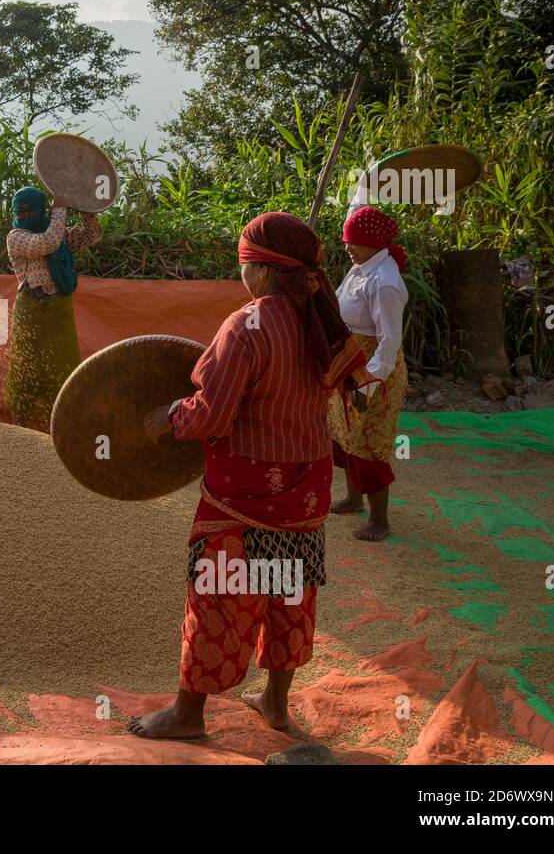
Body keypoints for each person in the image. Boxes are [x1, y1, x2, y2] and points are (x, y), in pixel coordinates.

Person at [130, 211, 367, 740]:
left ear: (258, 268)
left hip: (244, 494)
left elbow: (212, 415)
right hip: (304, 491)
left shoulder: (246, 326)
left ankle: (187, 716)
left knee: (217, 596)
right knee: (289, 591)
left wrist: (168, 418)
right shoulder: (321, 320)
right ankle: (276, 704)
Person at [328, 204, 409, 541]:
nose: (347, 248)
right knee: (346, 433)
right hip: (351, 366)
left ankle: (380, 521)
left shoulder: (386, 282)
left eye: (353, 242)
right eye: (346, 241)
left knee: (368, 443)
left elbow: (388, 344)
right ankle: (353, 498)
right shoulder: (361, 267)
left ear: (373, 242)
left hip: (375, 373)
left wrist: (366, 387)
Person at [3, 187, 101, 429]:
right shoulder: (16, 237)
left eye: (30, 213)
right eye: (20, 214)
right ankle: (20, 426)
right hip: (31, 312)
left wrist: (85, 209)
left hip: (58, 311)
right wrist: (60, 207)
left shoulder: (57, 231)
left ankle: (61, 424)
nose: (25, 218)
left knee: (62, 365)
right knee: (26, 368)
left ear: (41, 211)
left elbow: (91, 236)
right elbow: (48, 243)